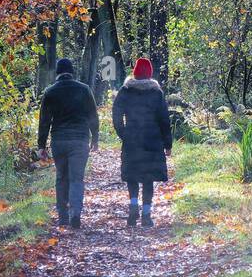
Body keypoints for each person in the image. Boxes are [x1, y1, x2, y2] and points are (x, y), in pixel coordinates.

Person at [36, 58, 99, 229]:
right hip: (79, 140)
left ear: (57, 72)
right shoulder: (84, 89)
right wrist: (95, 138)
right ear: (72, 71)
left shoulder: (50, 92)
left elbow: (44, 121)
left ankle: (63, 216)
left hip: (59, 141)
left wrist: (41, 145)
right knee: (76, 178)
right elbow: (93, 115)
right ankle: (75, 214)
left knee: (61, 177)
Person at [111, 57, 173, 228]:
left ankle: (133, 204)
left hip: (132, 139)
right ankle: (146, 214)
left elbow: (116, 113)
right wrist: (168, 144)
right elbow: (164, 120)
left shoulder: (126, 90)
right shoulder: (156, 93)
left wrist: (123, 133)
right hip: (152, 141)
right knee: (148, 178)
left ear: (135, 73)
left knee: (132, 174)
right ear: (150, 73)